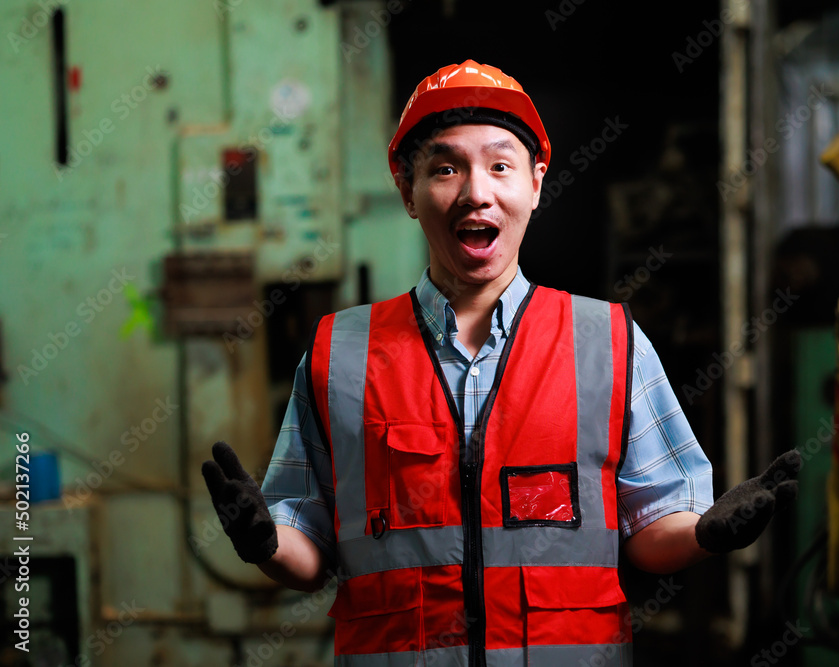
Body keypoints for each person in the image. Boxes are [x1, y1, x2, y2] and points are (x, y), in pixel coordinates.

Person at [202, 60, 801, 666]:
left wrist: (704, 535)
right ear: (406, 189)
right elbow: (310, 553)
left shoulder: (607, 342)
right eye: (444, 168)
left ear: (536, 184)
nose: (476, 192)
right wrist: (267, 544)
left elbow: (651, 530)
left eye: (499, 165)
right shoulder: (341, 353)